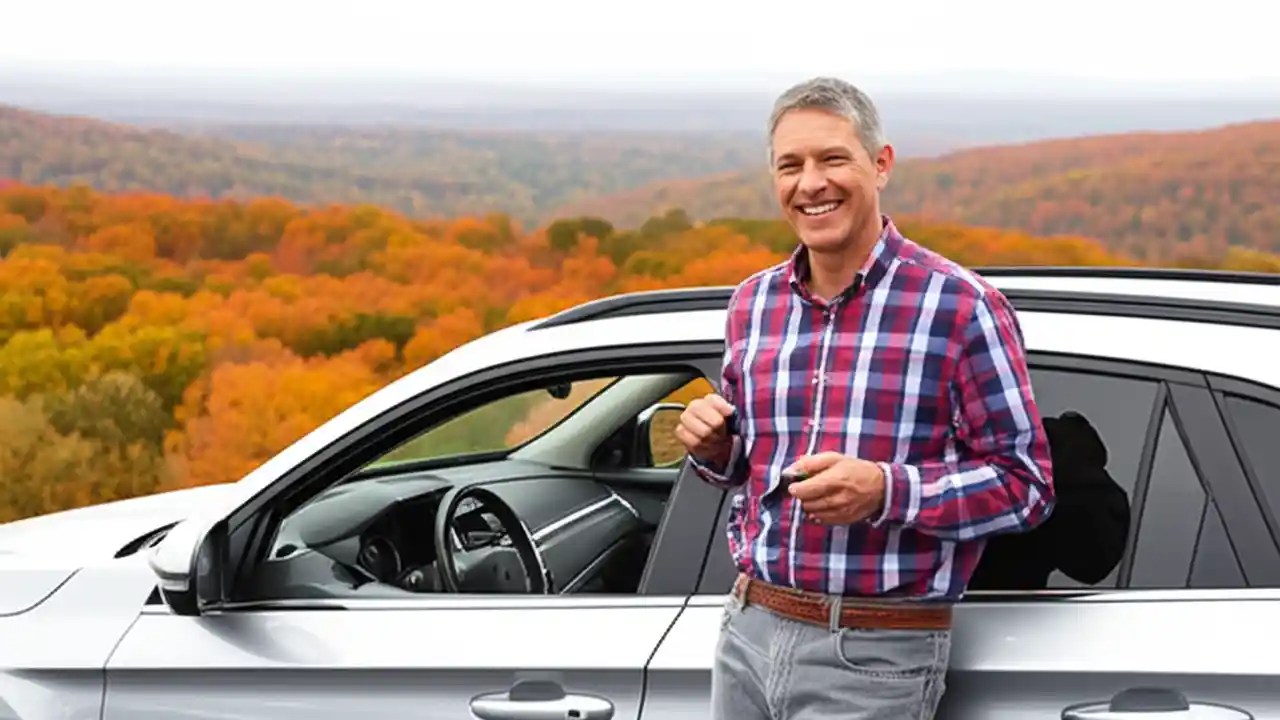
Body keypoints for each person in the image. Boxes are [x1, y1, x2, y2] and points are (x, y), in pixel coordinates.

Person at [673, 76, 1056, 720]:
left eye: (832, 159)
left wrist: (885, 491)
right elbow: (749, 467)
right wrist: (715, 447)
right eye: (789, 165)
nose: (810, 183)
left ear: (881, 165)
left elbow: (1027, 486)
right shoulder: (753, 304)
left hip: (876, 650)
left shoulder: (960, 307)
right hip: (747, 630)